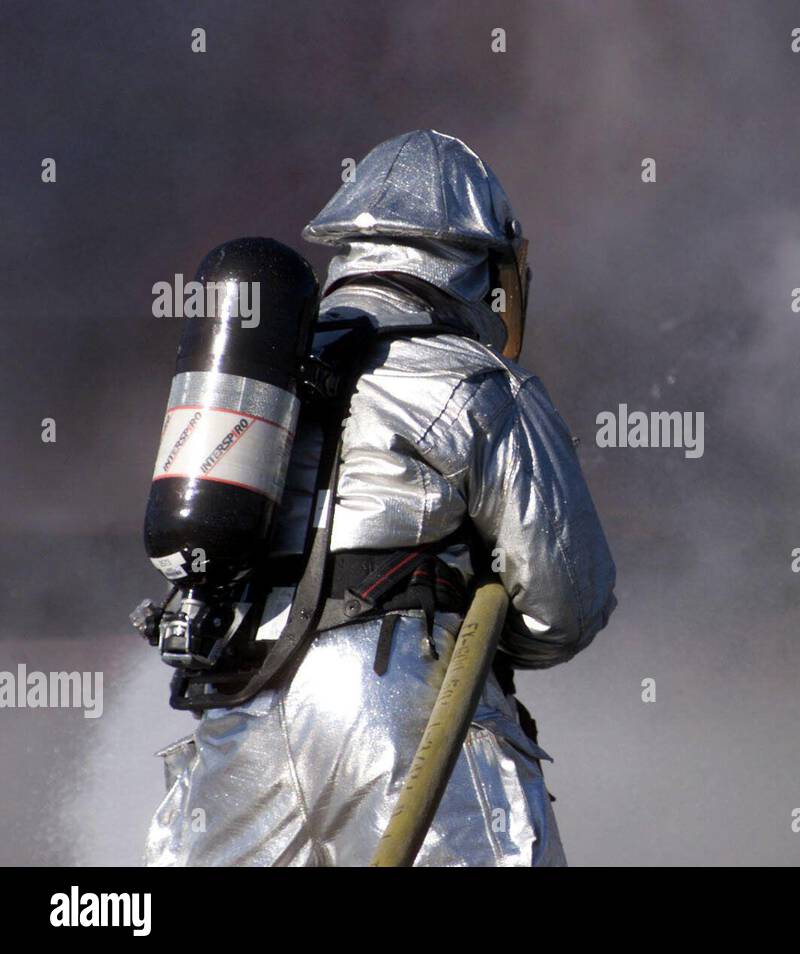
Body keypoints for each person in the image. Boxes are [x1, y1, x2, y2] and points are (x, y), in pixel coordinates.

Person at [144, 129, 617, 866]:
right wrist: (472, 640)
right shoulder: (479, 381)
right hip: (396, 701)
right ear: (479, 264)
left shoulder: (270, 368)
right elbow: (566, 601)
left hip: (240, 695)